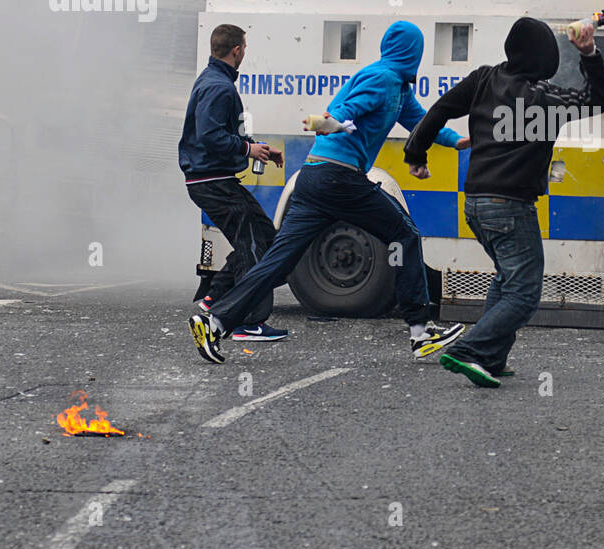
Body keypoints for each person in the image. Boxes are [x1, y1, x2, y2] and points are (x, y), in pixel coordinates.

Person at [190, 21, 468, 364]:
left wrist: (459, 141)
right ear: (414, 51)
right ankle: (420, 332)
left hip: (315, 179)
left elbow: (423, 124)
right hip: (339, 178)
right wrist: (332, 120)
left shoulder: (399, 89)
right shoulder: (381, 78)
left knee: (278, 259)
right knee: (405, 234)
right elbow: (347, 109)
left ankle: (214, 321)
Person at [403, 17, 604, 388]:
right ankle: (469, 350)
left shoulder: (483, 78)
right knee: (525, 293)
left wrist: (415, 153)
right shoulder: (546, 100)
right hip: (511, 207)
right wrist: (588, 53)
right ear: (545, 58)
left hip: (475, 204)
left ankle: (491, 358)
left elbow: (439, 110)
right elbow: (599, 100)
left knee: (506, 278)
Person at [179, 24, 287, 347]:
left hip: (215, 180)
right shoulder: (219, 88)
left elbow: (227, 133)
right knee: (253, 243)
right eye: (244, 48)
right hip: (212, 182)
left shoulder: (215, 82)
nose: (244, 54)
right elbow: (210, 135)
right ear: (237, 50)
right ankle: (248, 321)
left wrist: (258, 148)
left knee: (262, 236)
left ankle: (215, 298)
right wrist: (246, 149)